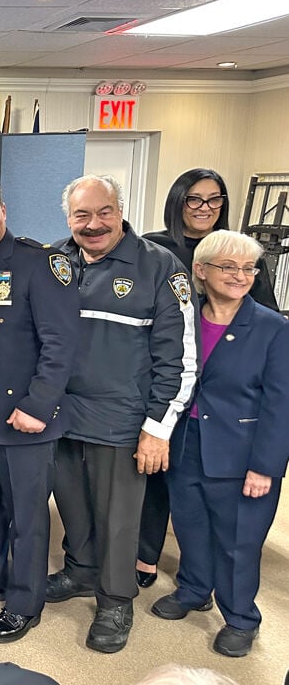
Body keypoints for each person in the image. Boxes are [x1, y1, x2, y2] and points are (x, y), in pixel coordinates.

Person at [47, 175, 198, 654]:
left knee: (118, 518)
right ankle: (81, 570)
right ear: (68, 218)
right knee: (70, 505)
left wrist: (158, 428)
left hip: (123, 418)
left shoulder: (160, 267)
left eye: (103, 212)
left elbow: (181, 357)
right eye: (81, 215)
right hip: (59, 414)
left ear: (120, 210)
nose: (93, 225)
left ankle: (115, 600)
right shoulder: (54, 261)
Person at [136, 168, 277, 590]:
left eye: (214, 200)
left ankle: (232, 607)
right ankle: (165, 567)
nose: (204, 208)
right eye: (194, 200)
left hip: (229, 414)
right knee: (174, 496)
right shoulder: (155, 250)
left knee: (227, 520)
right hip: (173, 403)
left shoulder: (244, 262)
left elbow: (262, 320)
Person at [0, 178, 79, 643]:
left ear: (4, 212)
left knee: (27, 515)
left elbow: (60, 342)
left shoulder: (39, 263)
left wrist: (39, 405)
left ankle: (25, 601)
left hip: (23, 416)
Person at [150, 231, 289, 658]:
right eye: (228, 267)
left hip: (242, 453)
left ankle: (241, 617)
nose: (240, 275)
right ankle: (193, 589)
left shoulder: (273, 328)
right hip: (187, 443)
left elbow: (282, 403)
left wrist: (266, 466)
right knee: (191, 525)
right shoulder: (184, 318)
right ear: (201, 271)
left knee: (237, 542)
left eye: (248, 268)